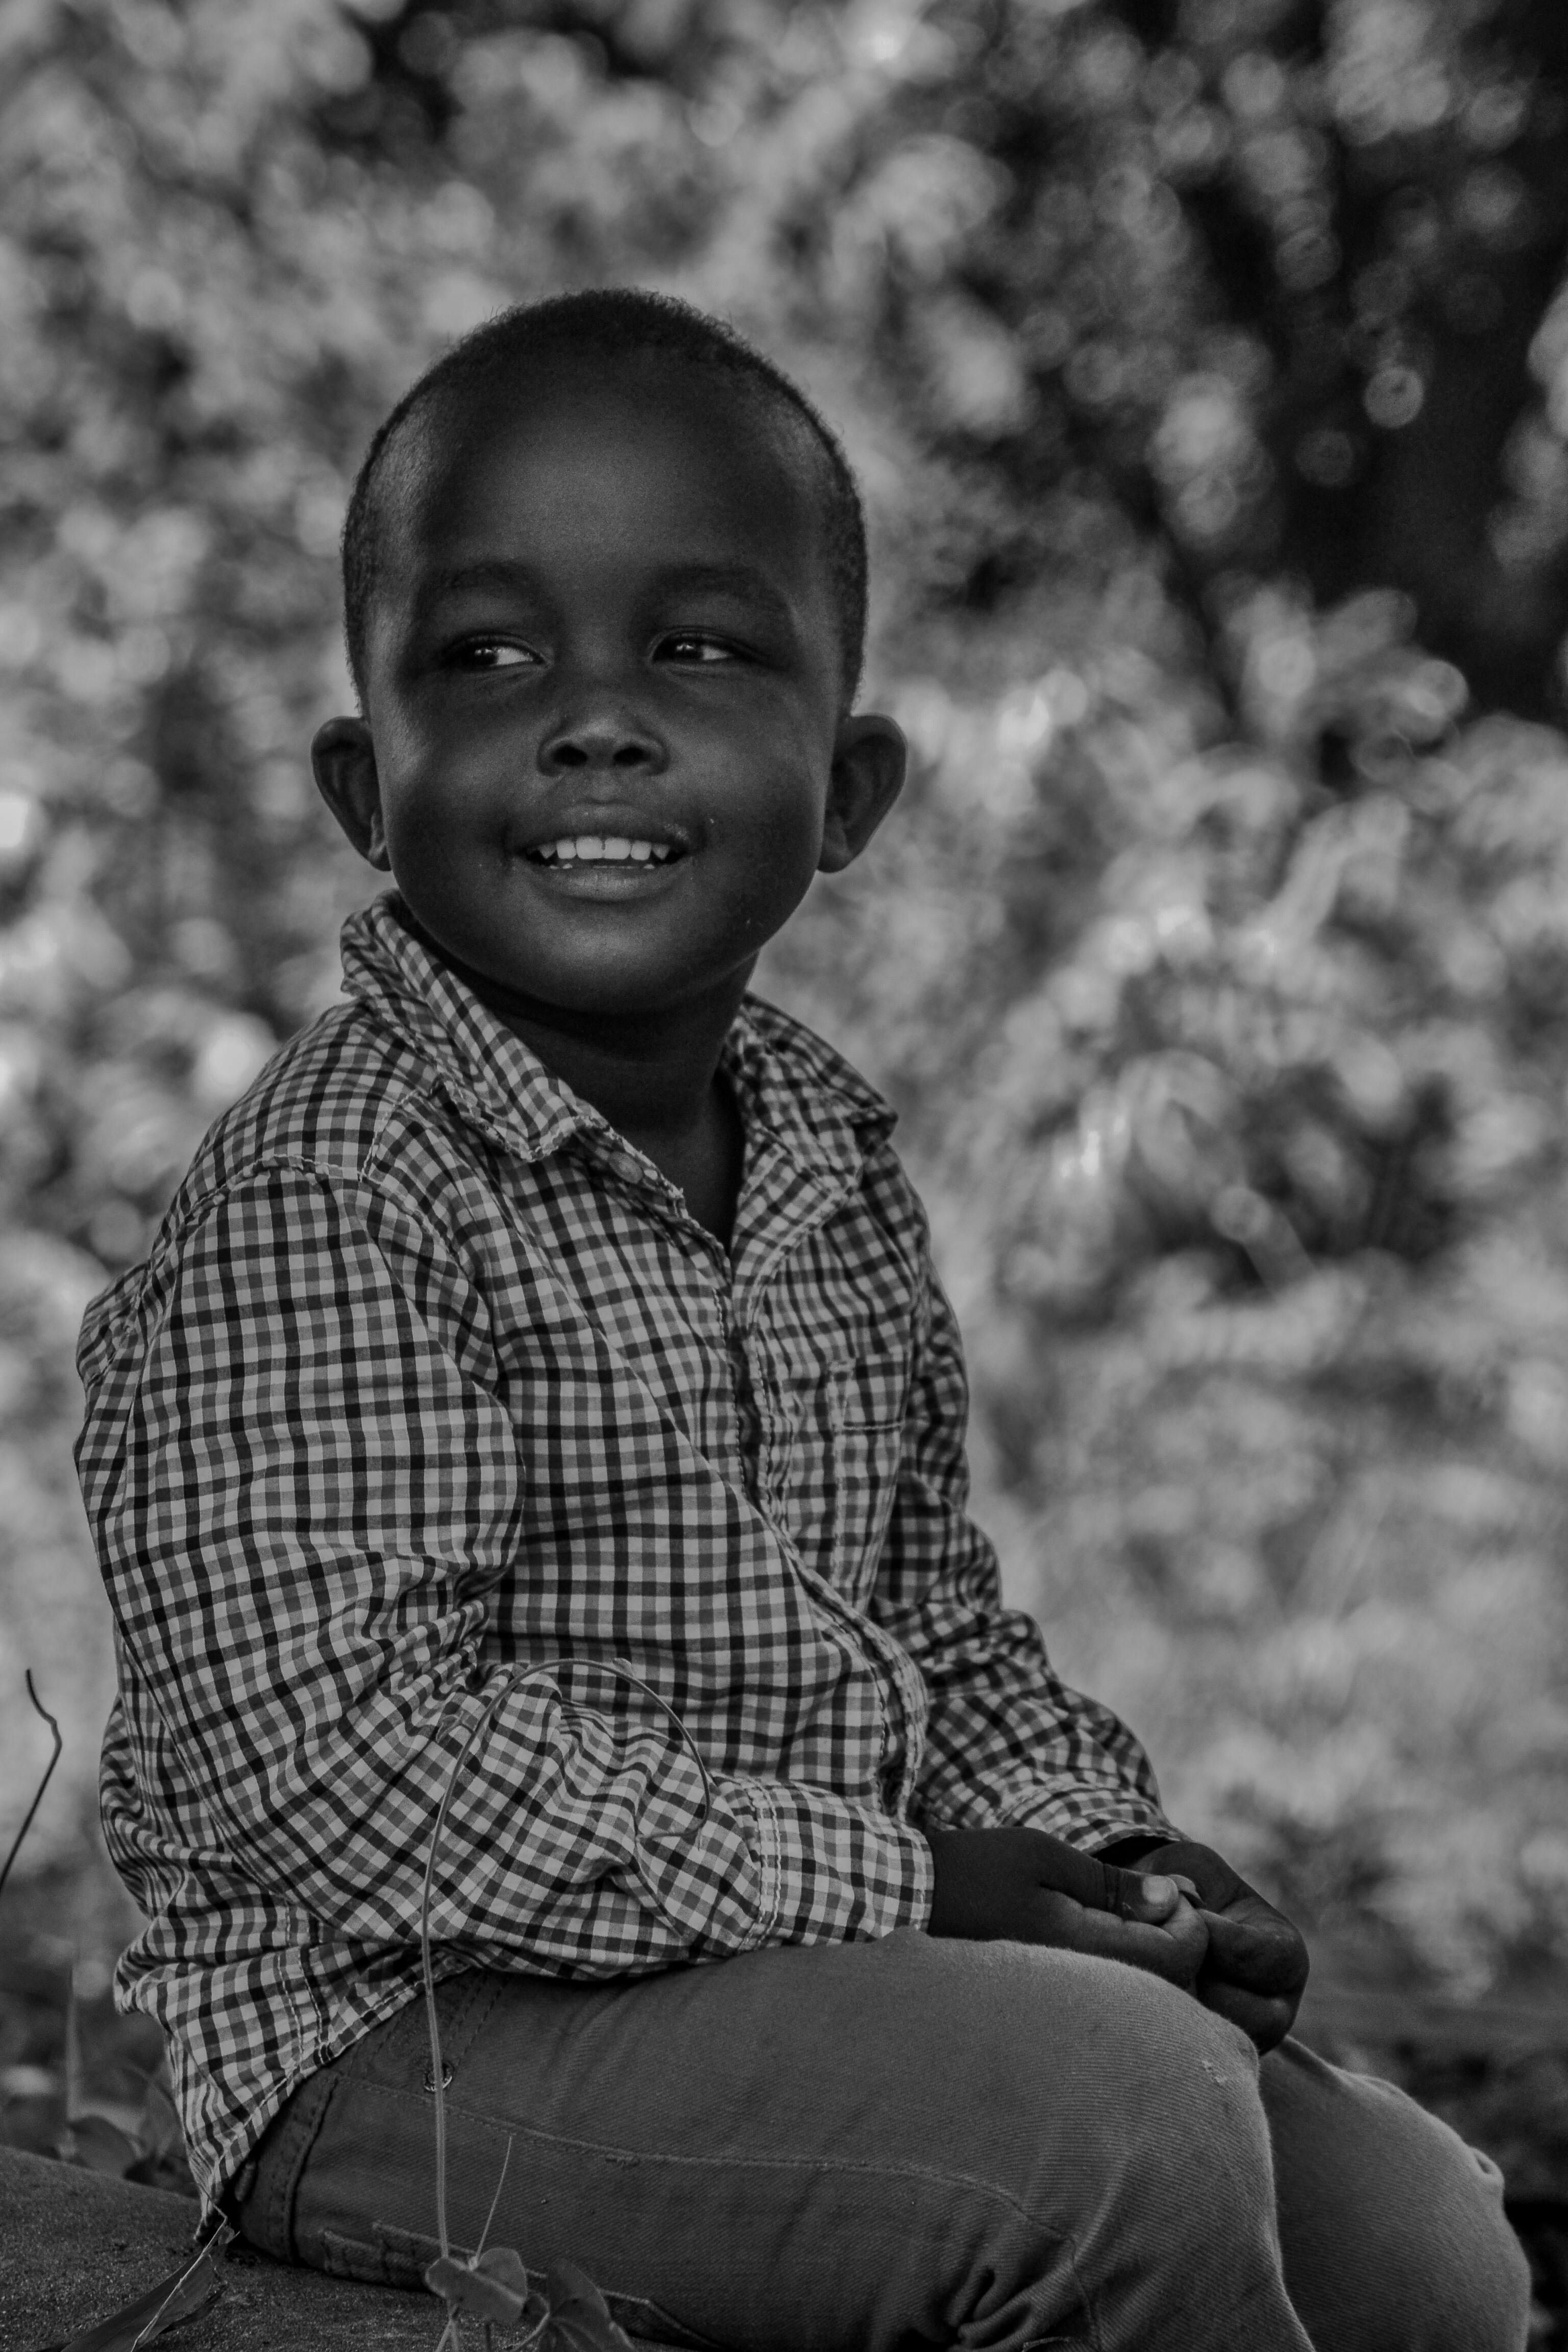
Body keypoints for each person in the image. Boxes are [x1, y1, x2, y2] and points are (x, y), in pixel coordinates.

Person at [76, 290, 1529, 2352]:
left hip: (792, 1980)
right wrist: (918, 1895)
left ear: (846, 791)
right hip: (401, 2045)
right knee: (1117, 2136)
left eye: (695, 648)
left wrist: (1115, 1856)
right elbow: (345, 1770)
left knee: (1424, 2246)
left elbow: (933, 1629)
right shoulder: (337, 1194)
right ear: (361, 786)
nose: (592, 718)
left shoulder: (825, 1163)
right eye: (487, 657)